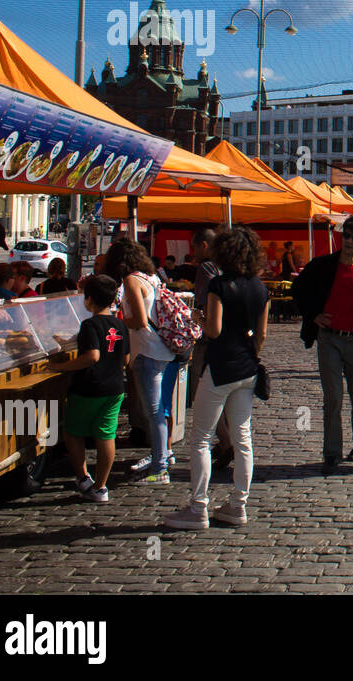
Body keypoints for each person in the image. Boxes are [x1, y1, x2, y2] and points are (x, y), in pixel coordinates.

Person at [165, 226, 269, 530]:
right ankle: (238, 504)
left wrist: (196, 319)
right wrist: (250, 351)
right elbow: (261, 335)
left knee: (201, 438)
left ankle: (198, 507)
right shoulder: (260, 288)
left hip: (220, 366)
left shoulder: (218, 285)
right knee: (243, 437)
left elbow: (213, 330)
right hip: (247, 368)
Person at [293, 215, 353, 474]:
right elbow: (298, 289)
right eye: (346, 236)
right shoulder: (322, 265)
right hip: (329, 338)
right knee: (333, 396)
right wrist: (313, 315)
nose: (348, 242)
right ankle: (332, 451)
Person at [46, 274, 128, 504]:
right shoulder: (120, 324)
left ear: (89, 299)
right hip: (115, 388)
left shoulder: (90, 324)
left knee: (72, 432)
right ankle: (101, 487)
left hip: (89, 388)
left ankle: (83, 477)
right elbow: (127, 357)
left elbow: (92, 356)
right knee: (106, 434)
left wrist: (60, 367)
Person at [107, 238, 180, 484]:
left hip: (146, 350)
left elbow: (138, 319)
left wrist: (114, 322)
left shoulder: (130, 281)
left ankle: (159, 468)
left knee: (154, 411)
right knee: (158, 409)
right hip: (160, 349)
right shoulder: (151, 277)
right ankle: (162, 455)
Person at [185, 227, 233, 472]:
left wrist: (197, 319)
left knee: (202, 393)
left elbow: (204, 303)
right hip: (231, 340)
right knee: (223, 396)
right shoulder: (228, 267)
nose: (193, 252)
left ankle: (225, 441)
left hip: (210, 338)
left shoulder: (206, 269)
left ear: (204, 245)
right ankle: (228, 438)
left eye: (194, 247)